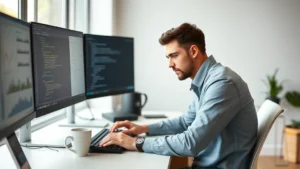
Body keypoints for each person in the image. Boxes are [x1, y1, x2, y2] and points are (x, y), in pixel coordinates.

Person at [99, 23, 258, 169]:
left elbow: (190, 143)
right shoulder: (207, 80)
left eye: (174, 55)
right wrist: (142, 129)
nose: (170, 64)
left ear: (194, 51)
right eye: (168, 57)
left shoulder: (222, 84)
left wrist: (136, 143)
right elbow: (186, 122)